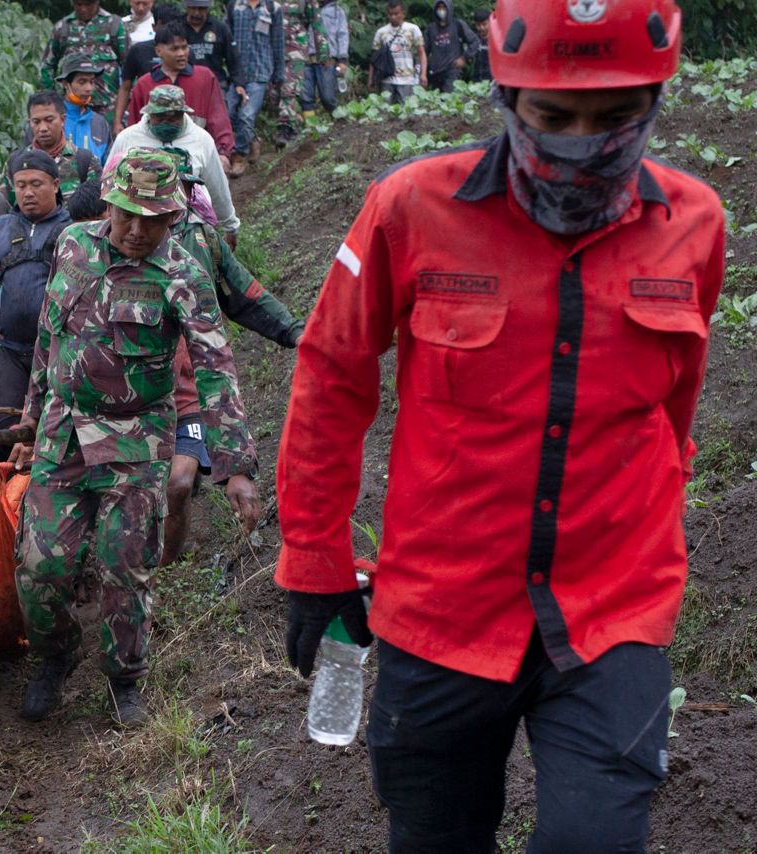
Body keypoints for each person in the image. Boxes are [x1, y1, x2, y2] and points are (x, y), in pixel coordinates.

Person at [278, 1, 723, 850]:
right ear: (508, 97)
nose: (582, 142)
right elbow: (332, 372)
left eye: (615, 118)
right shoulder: (411, 207)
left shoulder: (693, 222)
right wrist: (314, 561)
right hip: (442, 606)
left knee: (595, 840)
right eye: (553, 117)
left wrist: (659, 516)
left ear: (655, 104)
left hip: (612, 608)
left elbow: (677, 409)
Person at [8, 149, 260, 727]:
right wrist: (31, 417)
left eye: (153, 219)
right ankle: (56, 655)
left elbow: (216, 368)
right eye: (127, 215)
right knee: (40, 566)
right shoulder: (72, 245)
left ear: (173, 217)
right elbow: (49, 336)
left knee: (124, 564)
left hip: (136, 439)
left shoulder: (183, 274)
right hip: (63, 434)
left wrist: (234, 466)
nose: (137, 230)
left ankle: (124, 678)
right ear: (109, 205)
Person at [161, 158, 303, 566]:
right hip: (124, 398)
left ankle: (164, 565)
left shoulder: (200, 239)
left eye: (179, 190)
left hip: (186, 382)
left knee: (177, 484)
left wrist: (296, 331)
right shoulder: (98, 247)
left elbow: (246, 294)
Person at [0, 151, 72, 447]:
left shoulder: (73, 229)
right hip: (9, 349)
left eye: (36, 184)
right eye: (21, 185)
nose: (28, 192)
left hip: (58, 350)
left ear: (55, 185)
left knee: (52, 429)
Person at [107, 85, 240, 243]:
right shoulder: (128, 139)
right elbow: (108, 183)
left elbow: (217, 186)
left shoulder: (201, 140)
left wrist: (230, 225)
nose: (166, 123)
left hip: (187, 226)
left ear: (183, 114)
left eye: (172, 119)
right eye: (160, 118)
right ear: (150, 114)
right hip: (141, 224)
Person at [128, 20, 235, 163]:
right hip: (154, 159)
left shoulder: (205, 77)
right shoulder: (144, 84)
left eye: (184, 47)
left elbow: (218, 117)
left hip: (198, 154)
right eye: (174, 49)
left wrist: (223, 152)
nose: (181, 53)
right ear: (159, 51)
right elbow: (135, 127)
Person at [2, 92, 98, 206]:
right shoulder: (16, 161)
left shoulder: (85, 161)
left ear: (63, 120)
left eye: (49, 120)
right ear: (29, 122)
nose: (43, 128)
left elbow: (98, 209)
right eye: (36, 122)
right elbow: (3, 207)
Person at [40, 0, 128, 124]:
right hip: (71, 109)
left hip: (108, 109)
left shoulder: (114, 25)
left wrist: (123, 111)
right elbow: (47, 66)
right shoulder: (63, 27)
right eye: (78, 5)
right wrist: (52, 102)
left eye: (88, 4)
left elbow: (129, 68)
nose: (83, 9)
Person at [226, 0, 285, 176]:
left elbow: (278, 42)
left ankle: (239, 156)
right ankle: (252, 139)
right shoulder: (235, 6)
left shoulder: (272, 8)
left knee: (246, 115)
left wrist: (279, 74)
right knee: (228, 113)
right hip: (236, 73)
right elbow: (226, 37)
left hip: (260, 72)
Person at [113, 4, 184, 136]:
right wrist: (117, 122)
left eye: (173, 28)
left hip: (179, 121)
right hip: (146, 120)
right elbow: (125, 87)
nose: (168, 33)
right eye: (164, 27)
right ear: (154, 26)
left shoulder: (184, 54)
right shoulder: (138, 50)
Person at [273, 1, 332, 147]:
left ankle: (284, 129)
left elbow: (317, 23)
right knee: (274, 93)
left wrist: (323, 53)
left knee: (289, 89)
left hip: (296, 49)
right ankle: (294, 128)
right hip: (273, 49)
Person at [56, 55, 113, 161]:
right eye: (82, 82)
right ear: (66, 84)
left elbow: (108, 164)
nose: (89, 88)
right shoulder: (52, 119)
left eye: (92, 82)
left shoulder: (99, 123)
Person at [370, 0, 427, 105]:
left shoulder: (413, 29)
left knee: (406, 109)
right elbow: (374, 58)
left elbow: (421, 52)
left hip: (407, 79)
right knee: (385, 109)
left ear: (403, 14)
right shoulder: (381, 32)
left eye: (396, 14)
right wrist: (371, 79)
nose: (393, 17)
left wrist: (423, 74)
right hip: (386, 79)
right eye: (390, 14)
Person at [184, 0, 240, 95]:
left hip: (216, 83)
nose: (196, 13)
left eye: (201, 9)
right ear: (187, 8)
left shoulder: (220, 28)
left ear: (207, 8)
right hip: (186, 83)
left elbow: (233, 59)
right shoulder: (177, 27)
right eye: (193, 8)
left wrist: (238, 83)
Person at [304, 0, 350, 114]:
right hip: (307, 58)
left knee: (328, 97)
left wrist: (342, 59)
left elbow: (342, 35)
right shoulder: (307, 8)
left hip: (327, 60)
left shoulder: (337, 11)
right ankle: (310, 124)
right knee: (306, 97)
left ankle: (338, 118)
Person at [424, 0, 480, 93]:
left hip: (453, 70)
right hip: (435, 72)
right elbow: (424, 52)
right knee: (435, 100)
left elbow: (474, 41)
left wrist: (464, 58)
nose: (441, 10)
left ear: (449, 8)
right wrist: (422, 71)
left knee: (450, 98)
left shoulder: (458, 25)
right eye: (439, 8)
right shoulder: (431, 29)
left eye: (444, 7)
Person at [470, 9, 492, 83]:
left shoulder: (497, 40)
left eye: (484, 24)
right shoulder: (474, 40)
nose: (482, 28)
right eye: (478, 25)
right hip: (477, 81)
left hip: (493, 82)